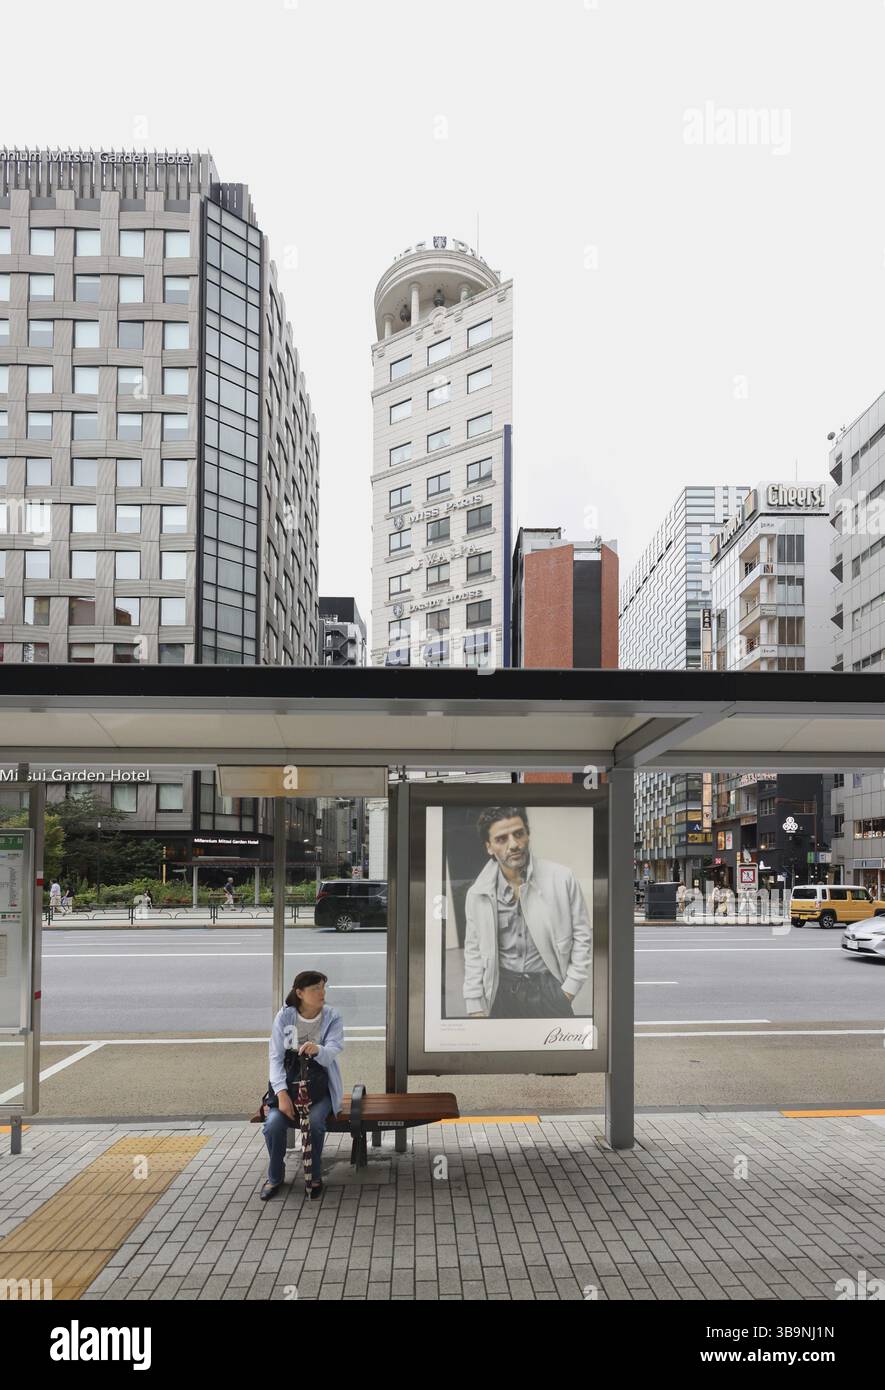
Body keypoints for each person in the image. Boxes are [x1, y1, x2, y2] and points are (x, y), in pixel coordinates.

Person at [462, 805, 591, 1020]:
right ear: (489, 847)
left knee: (557, 1053)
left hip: (550, 989)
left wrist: (568, 990)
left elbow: (582, 936)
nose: (514, 844)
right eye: (501, 839)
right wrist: (475, 1004)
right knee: (504, 1053)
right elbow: (474, 951)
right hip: (501, 992)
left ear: (528, 835)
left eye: (519, 834)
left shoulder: (562, 878)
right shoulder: (478, 893)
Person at [260, 970, 344, 1201]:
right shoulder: (285, 1017)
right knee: (274, 1125)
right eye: (315, 988)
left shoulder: (331, 1016)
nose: (321, 993)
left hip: (319, 1089)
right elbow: (275, 1057)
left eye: (323, 987)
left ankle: (314, 1175)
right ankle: (275, 1176)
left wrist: (318, 1049)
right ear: (300, 992)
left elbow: (334, 1050)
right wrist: (282, 1095)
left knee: (316, 1123)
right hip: (290, 1087)